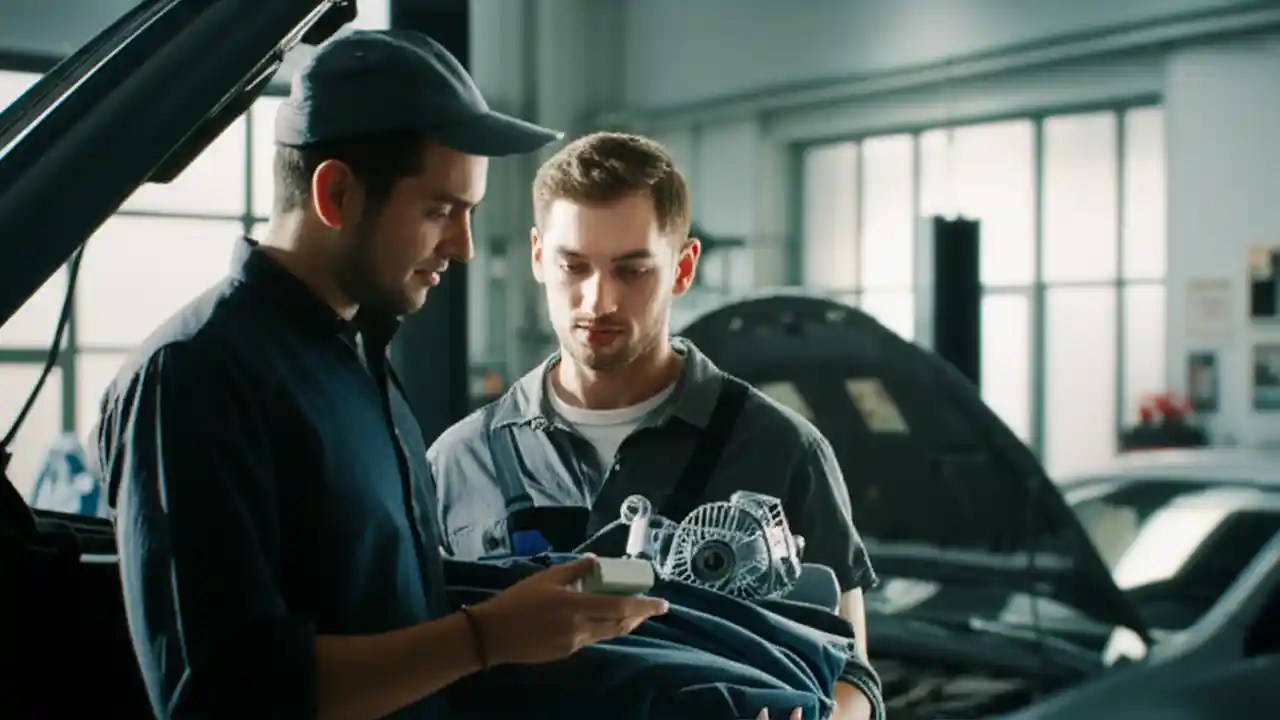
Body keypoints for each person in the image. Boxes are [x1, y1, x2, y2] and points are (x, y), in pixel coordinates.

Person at [93, 31, 670, 720]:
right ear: (336, 192)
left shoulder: (360, 358)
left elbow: (384, 615)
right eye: (439, 211)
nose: (460, 247)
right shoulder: (193, 378)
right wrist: (486, 637)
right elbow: (222, 694)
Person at [428, 132, 880, 720]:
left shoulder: (783, 451)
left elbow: (854, 673)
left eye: (632, 270)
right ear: (539, 257)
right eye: (574, 266)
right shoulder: (459, 462)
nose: (598, 300)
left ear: (682, 267)